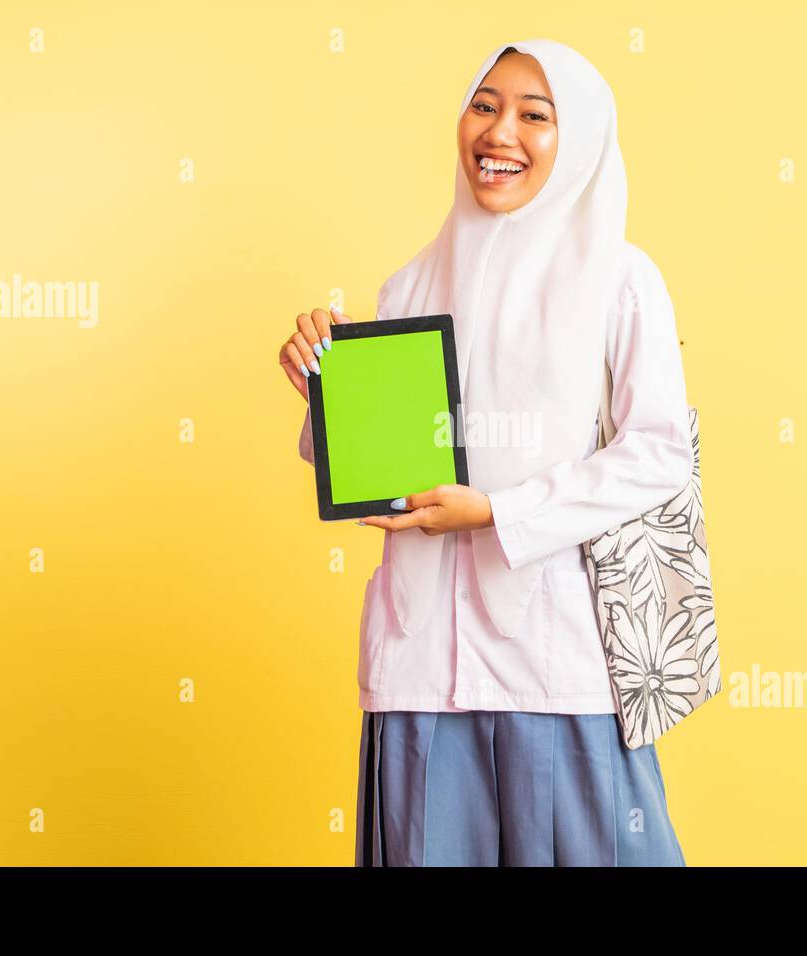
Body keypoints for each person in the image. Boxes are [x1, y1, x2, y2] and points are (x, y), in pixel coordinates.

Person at [279, 39, 693, 866]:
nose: (500, 132)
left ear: (575, 142)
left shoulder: (619, 279)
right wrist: (323, 392)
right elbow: (391, 474)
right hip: (418, 669)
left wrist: (500, 515)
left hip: (558, 666)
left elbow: (658, 453)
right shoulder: (408, 287)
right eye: (485, 105)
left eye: (535, 115)